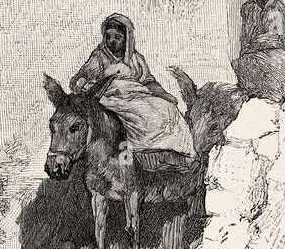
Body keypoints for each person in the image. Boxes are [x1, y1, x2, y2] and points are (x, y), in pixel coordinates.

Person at [70, 13, 196, 171]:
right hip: (111, 97)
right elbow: (79, 79)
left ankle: (171, 155)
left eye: (117, 37)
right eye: (108, 36)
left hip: (137, 95)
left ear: (127, 38)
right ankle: (136, 156)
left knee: (168, 109)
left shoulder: (136, 59)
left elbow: (148, 81)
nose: (112, 41)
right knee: (135, 114)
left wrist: (163, 94)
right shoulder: (99, 57)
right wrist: (83, 84)